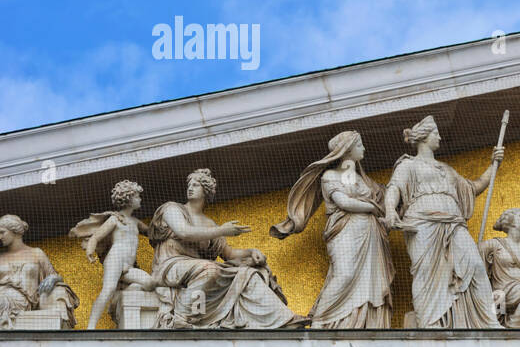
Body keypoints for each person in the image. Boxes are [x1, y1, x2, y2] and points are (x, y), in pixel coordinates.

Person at [385, 115, 503, 329]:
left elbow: (473, 188)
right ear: (424, 138)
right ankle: (429, 323)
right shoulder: (408, 165)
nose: (439, 137)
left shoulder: (447, 169)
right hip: (422, 223)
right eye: (435, 133)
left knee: (475, 264)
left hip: (453, 222)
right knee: (426, 272)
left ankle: (488, 321)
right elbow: (394, 188)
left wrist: (493, 165)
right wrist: (390, 209)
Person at [148, 168, 305, 329]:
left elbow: (229, 254)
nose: (190, 188)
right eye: (189, 184)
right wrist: (222, 230)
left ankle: (282, 321)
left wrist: (251, 252)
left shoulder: (210, 225)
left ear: (206, 192)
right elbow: (184, 232)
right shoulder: (171, 209)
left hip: (198, 270)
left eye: (196, 185)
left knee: (247, 274)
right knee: (210, 269)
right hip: (170, 266)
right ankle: (181, 317)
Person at [271, 131, 394, 328]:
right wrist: (371, 207)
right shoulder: (330, 176)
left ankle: (365, 323)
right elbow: (343, 201)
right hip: (345, 232)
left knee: (370, 281)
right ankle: (320, 322)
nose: (364, 149)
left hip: (369, 234)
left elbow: (386, 198)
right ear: (347, 149)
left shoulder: (365, 181)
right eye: (360, 145)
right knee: (344, 275)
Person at [69, 180, 155, 329]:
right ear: (128, 199)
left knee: (150, 283)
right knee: (108, 290)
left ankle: (123, 295)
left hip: (128, 265)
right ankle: (91, 326)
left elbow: (151, 233)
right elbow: (96, 237)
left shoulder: (135, 222)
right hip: (116, 258)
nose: (140, 199)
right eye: (137, 196)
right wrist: (90, 250)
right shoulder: (115, 219)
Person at [0, 214, 78, 329]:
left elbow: (54, 275)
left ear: (14, 231)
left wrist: (53, 278)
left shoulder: (36, 253)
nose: (0, 236)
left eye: (2, 232)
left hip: (23, 300)